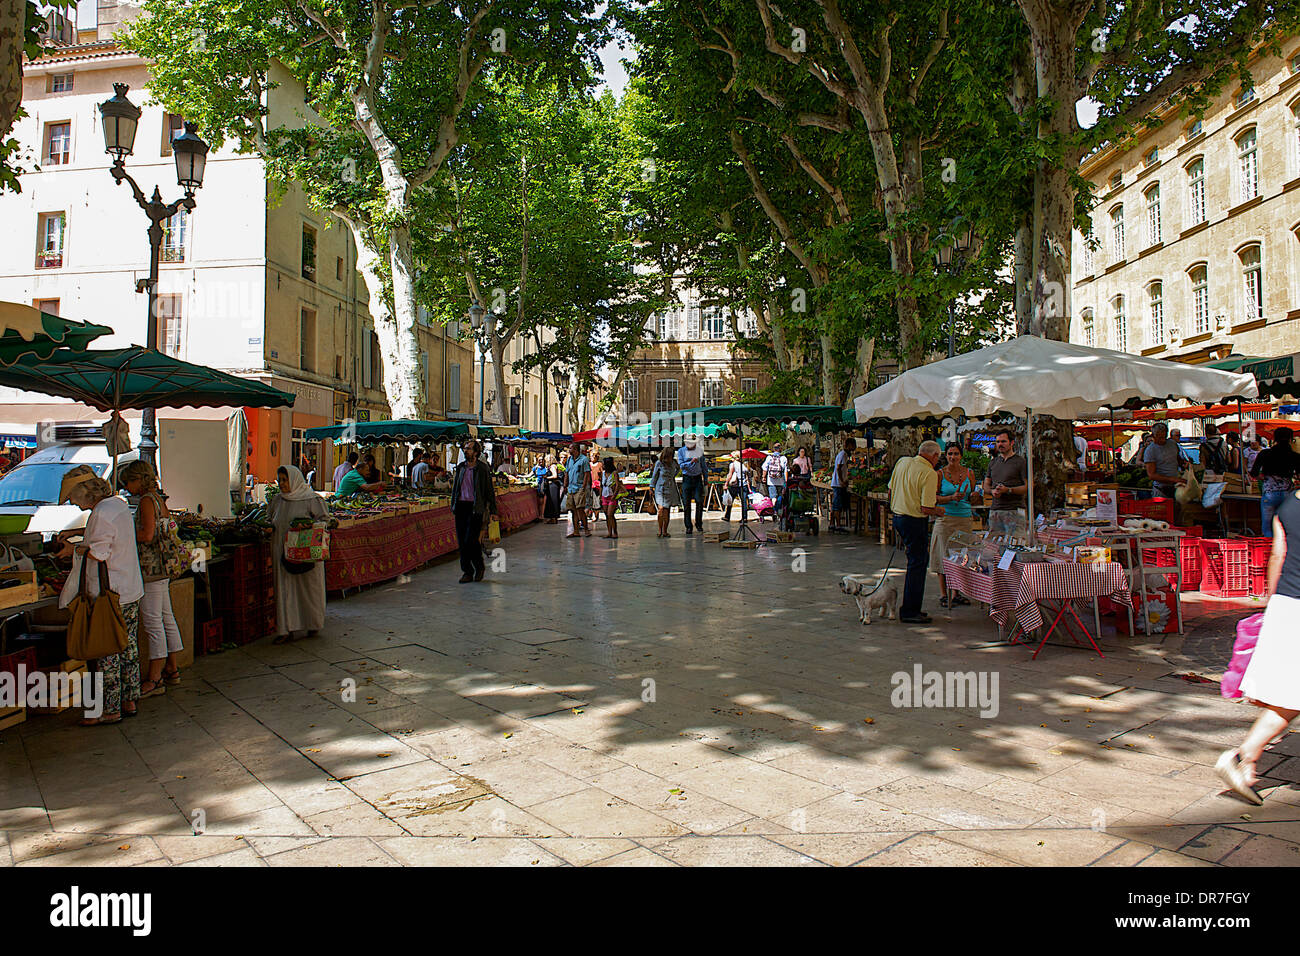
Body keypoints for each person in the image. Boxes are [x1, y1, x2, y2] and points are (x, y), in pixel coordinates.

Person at [1215, 481, 1300, 805]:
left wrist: (1270, 599)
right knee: (1293, 695)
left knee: (1291, 692)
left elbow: (1278, 554)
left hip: (1285, 602)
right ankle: (1244, 756)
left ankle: (1246, 760)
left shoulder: (1288, 505)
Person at [54, 465, 144, 725]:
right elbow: (106, 538)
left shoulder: (101, 514)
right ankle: (128, 700)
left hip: (109, 593)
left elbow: (99, 552)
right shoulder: (116, 505)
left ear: (85, 492)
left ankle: (110, 709)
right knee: (126, 647)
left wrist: (72, 550)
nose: (72, 502)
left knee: (107, 650)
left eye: (72, 496)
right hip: (128, 589)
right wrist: (77, 535)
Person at [121, 461, 183, 699]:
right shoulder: (158, 499)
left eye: (128, 481)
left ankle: (154, 678)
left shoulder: (147, 501)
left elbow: (147, 535)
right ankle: (172, 668)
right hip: (162, 567)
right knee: (166, 617)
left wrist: (125, 534)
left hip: (151, 568)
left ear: (139, 479)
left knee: (153, 621)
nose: (126, 487)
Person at [268, 465, 327, 643]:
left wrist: (307, 526)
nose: (282, 484)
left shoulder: (311, 499)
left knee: (308, 588)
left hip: (306, 553)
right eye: (281, 480)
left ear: (294, 479)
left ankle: (312, 624)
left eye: (285, 480)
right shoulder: (278, 500)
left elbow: (324, 520)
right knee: (285, 590)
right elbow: (269, 518)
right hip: (282, 552)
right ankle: (286, 629)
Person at [888, 441, 945, 624]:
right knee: (918, 563)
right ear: (934, 456)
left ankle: (910, 608)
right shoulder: (929, 473)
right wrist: (938, 511)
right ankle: (911, 610)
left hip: (898, 517)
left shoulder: (902, 462)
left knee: (914, 560)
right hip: (913, 520)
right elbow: (926, 507)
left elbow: (890, 490)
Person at [931, 444, 975, 609]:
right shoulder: (939, 474)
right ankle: (944, 594)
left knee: (961, 557)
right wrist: (950, 498)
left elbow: (972, 496)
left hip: (964, 519)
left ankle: (957, 593)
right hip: (945, 519)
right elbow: (933, 497)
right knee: (942, 555)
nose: (953, 457)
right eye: (950, 454)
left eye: (956, 454)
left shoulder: (969, 473)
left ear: (961, 456)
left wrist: (975, 495)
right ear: (946, 455)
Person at [451, 439, 498, 583]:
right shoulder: (461, 468)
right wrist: (453, 504)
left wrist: (493, 510)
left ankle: (479, 567)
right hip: (461, 507)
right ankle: (467, 571)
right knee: (462, 542)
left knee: (471, 540)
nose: (466, 451)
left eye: (469, 449)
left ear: (476, 452)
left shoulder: (482, 469)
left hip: (475, 508)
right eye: (465, 448)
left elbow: (489, 490)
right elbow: (455, 488)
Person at [1251, 426, 1300, 534]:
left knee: (1268, 527)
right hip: (1288, 494)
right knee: (1287, 527)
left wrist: (1263, 478)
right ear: (1291, 439)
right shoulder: (1295, 456)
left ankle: (1268, 549)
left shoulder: (1265, 454)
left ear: (1275, 439)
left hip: (1269, 492)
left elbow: (1254, 473)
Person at [983, 429, 1029, 537]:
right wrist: (992, 491)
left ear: (1011, 443)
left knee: (1016, 545)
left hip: (1015, 510)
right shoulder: (993, 463)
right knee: (996, 546)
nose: (1000, 444)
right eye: (998, 442)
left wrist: (1008, 490)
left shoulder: (1020, 462)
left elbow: (1028, 486)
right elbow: (986, 484)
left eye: (1003, 441)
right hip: (996, 511)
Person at [677, 435, 707, 535]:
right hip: (687, 478)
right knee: (686, 504)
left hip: (698, 478)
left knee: (699, 501)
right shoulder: (681, 451)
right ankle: (688, 526)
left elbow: (703, 466)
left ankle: (699, 524)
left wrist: (706, 479)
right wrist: (691, 462)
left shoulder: (699, 451)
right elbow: (681, 465)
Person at [564, 442, 592, 538]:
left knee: (580, 510)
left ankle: (586, 530)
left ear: (575, 449)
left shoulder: (584, 460)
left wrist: (583, 487)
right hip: (571, 488)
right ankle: (576, 531)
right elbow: (567, 473)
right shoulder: (569, 460)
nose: (569, 450)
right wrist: (565, 485)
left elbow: (587, 474)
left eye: (570, 448)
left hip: (579, 488)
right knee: (573, 510)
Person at [651, 446, 680, 537]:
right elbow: (655, 475)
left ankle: (665, 531)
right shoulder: (659, 463)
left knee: (667, 509)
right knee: (661, 509)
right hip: (660, 488)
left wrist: (672, 477)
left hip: (670, 487)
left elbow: (678, 469)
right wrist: (651, 487)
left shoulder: (674, 463)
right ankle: (659, 530)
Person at [830, 437, 855, 534]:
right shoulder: (843, 455)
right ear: (849, 445)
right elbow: (838, 468)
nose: (854, 448)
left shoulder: (844, 455)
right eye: (853, 446)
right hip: (838, 484)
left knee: (835, 505)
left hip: (838, 484)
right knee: (837, 506)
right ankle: (838, 525)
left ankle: (832, 524)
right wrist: (842, 481)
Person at [600, 456, 623, 539]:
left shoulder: (614, 473)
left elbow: (617, 485)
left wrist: (614, 495)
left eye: (603, 464)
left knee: (610, 514)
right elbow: (601, 485)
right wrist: (600, 496)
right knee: (606, 515)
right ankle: (609, 532)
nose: (602, 465)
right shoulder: (603, 473)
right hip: (604, 495)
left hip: (612, 496)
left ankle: (615, 532)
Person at [762, 442, 788, 511]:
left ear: (773, 449)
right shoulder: (783, 458)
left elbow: (765, 468)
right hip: (781, 481)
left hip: (771, 481)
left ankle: (774, 511)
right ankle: (779, 510)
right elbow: (785, 470)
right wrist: (786, 481)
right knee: (780, 496)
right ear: (780, 449)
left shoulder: (769, 457)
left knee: (773, 497)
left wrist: (763, 477)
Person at [721, 451, 744, 523]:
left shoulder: (733, 464)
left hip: (734, 485)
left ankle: (727, 516)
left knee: (730, 501)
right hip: (742, 484)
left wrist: (726, 483)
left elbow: (730, 475)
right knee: (743, 502)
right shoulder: (742, 465)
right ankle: (744, 517)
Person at [543, 454, 563, 523]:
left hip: (553, 485)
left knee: (553, 501)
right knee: (553, 501)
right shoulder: (553, 466)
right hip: (553, 485)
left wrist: (546, 477)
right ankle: (553, 518)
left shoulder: (552, 466)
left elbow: (555, 476)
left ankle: (554, 518)